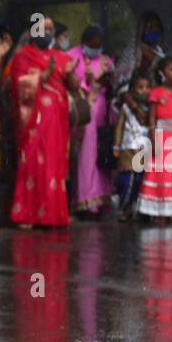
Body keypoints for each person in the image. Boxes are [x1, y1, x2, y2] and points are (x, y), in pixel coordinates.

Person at [7, 15, 78, 228]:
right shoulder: (22, 57)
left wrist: (72, 74)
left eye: (50, 29)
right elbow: (19, 87)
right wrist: (43, 76)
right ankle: (27, 215)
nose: (47, 33)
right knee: (32, 162)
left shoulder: (61, 57)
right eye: (42, 29)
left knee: (54, 165)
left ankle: (52, 215)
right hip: (33, 120)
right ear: (31, 32)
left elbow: (73, 86)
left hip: (57, 119)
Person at [65, 25, 114, 216]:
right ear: (84, 43)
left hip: (101, 112)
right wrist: (86, 83)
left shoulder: (106, 61)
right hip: (81, 112)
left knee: (101, 156)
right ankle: (85, 201)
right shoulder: (71, 57)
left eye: (99, 45)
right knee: (85, 157)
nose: (96, 48)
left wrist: (107, 81)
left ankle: (102, 200)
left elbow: (111, 87)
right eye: (93, 45)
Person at [137, 54, 172, 223]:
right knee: (161, 174)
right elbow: (152, 119)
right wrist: (153, 138)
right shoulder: (156, 93)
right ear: (161, 73)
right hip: (162, 137)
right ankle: (158, 210)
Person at [112, 72, 152, 220]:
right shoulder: (126, 108)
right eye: (140, 88)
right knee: (126, 178)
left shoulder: (151, 107)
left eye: (147, 87)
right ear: (133, 90)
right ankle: (125, 207)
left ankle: (137, 206)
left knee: (140, 179)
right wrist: (116, 146)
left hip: (144, 147)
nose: (145, 90)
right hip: (128, 146)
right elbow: (119, 127)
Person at [114, 11, 166, 94]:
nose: (154, 30)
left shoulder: (159, 51)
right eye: (150, 27)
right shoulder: (134, 50)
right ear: (143, 29)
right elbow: (122, 78)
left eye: (157, 27)